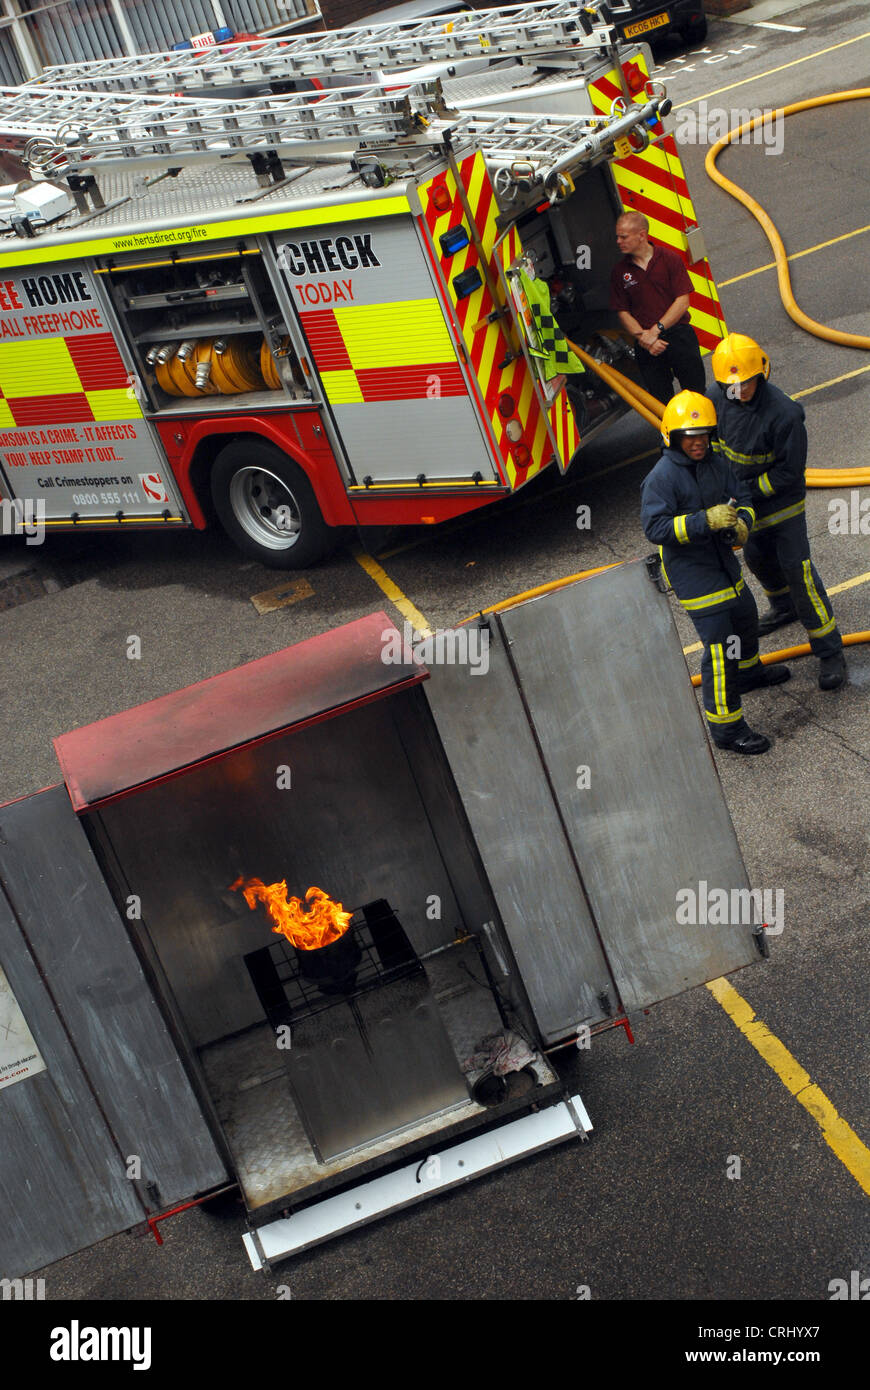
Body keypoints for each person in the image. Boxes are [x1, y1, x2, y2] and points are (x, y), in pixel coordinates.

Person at [641, 390, 791, 755]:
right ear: (673, 437)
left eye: (705, 435)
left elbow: (742, 495)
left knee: (746, 618)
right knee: (720, 649)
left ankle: (750, 673)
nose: (699, 443)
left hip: (724, 565)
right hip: (694, 575)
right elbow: (655, 529)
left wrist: (742, 523)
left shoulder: (716, 461)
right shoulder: (661, 478)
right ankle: (727, 730)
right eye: (691, 437)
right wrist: (701, 521)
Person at [709, 334, 846, 691]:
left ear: (762, 374)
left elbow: (789, 474)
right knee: (757, 558)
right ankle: (783, 606)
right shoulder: (717, 397)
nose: (739, 391)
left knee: (798, 571)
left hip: (782, 505)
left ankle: (830, 650)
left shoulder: (784, 414)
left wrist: (746, 493)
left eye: (747, 383)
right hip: (745, 504)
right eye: (732, 386)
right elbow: (713, 444)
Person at [609, 210, 706, 403]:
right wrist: (645, 337)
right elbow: (623, 312)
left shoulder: (670, 259)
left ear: (642, 235)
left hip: (679, 337)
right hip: (646, 345)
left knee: (697, 397)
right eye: (617, 237)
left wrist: (656, 330)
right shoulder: (619, 273)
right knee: (661, 404)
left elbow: (682, 301)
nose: (619, 241)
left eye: (624, 236)